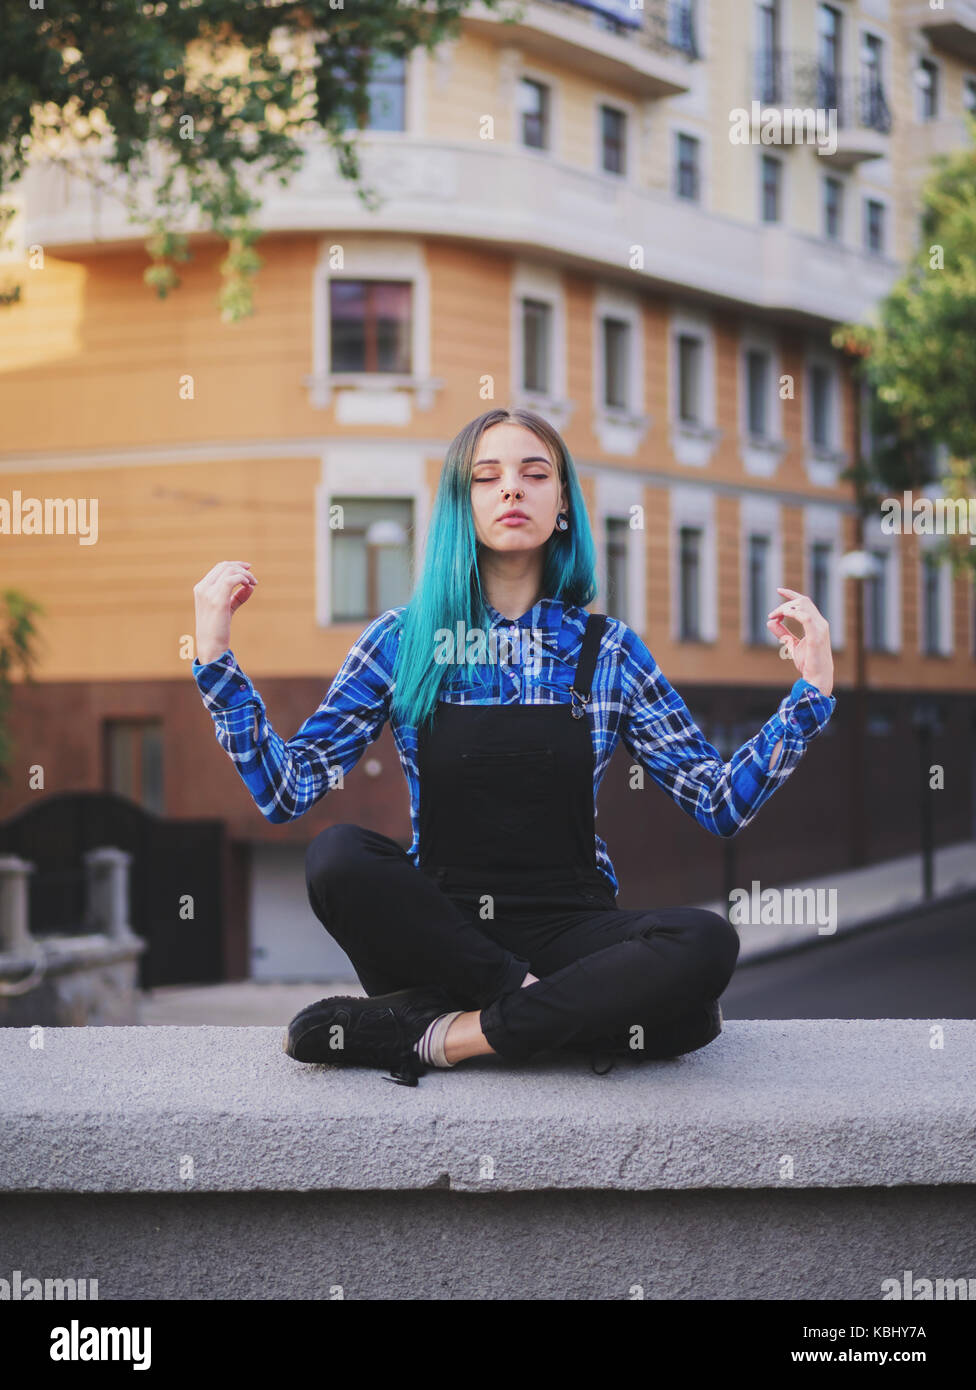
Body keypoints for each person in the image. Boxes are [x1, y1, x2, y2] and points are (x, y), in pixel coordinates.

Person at [192, 406, 836, 1086]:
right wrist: (215, 660)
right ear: (460, 504)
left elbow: (717, 802)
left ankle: (438, 1033)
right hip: (443, 937)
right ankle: (536, 1014)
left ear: (562, 505)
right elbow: (289, 791)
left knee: (705, 941)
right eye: (487, 477)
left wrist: (811, 696)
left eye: (535, 474)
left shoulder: (608, 649)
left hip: (573, 929)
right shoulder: (402, 641)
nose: (511, 490)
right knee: (337, 854)